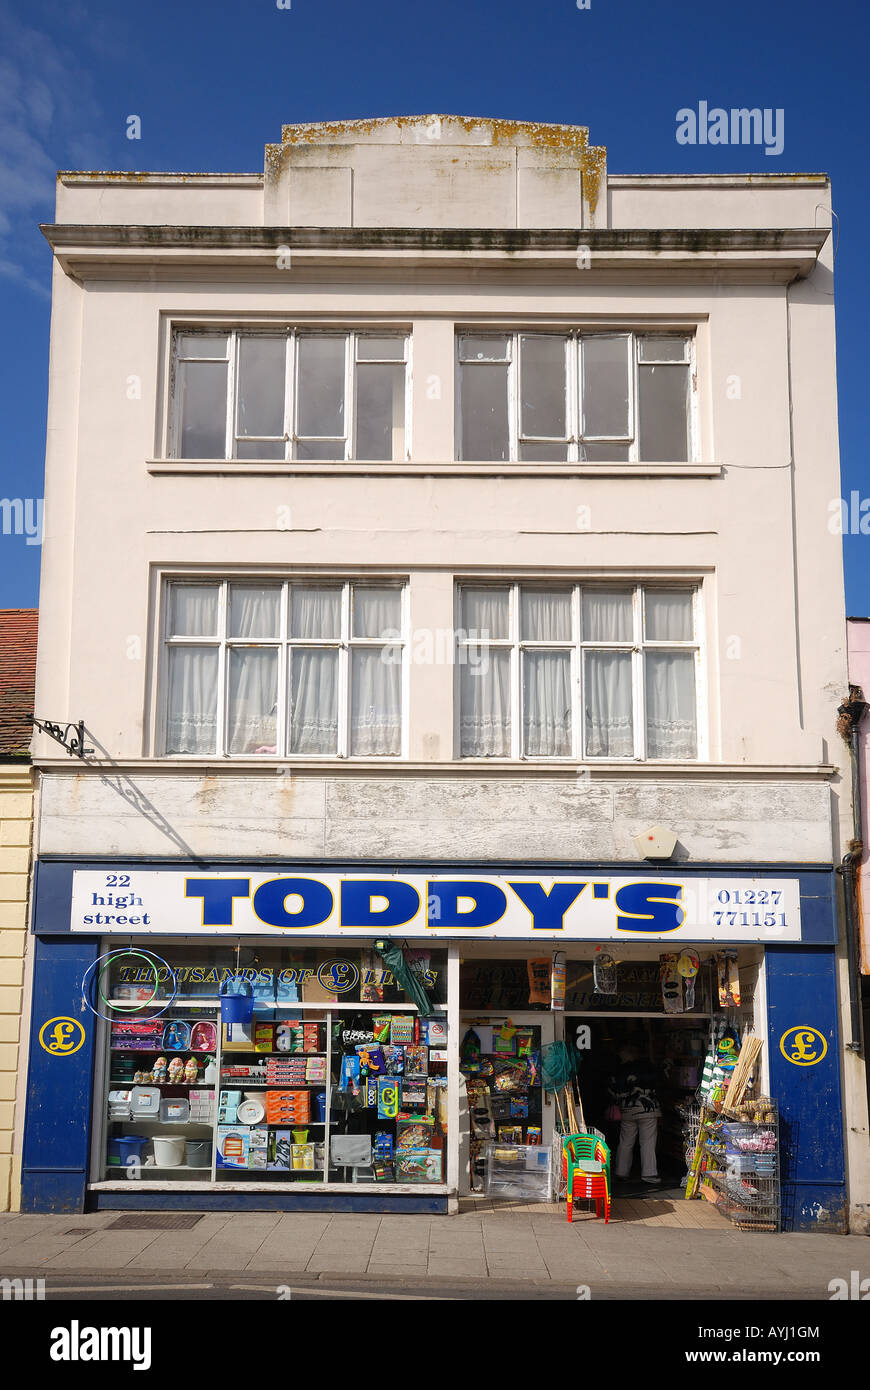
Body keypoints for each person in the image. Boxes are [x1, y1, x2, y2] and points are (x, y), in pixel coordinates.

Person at [607, 1039, 662, 1184]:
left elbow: (612, 1091)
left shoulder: (618, 1070)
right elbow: (657, 1080)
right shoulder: (645, 1066)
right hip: (647, 1110)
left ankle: (621, 1171)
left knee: (625, 1142)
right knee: (648, 1142)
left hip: (626, 1110)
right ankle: (649, 1174)